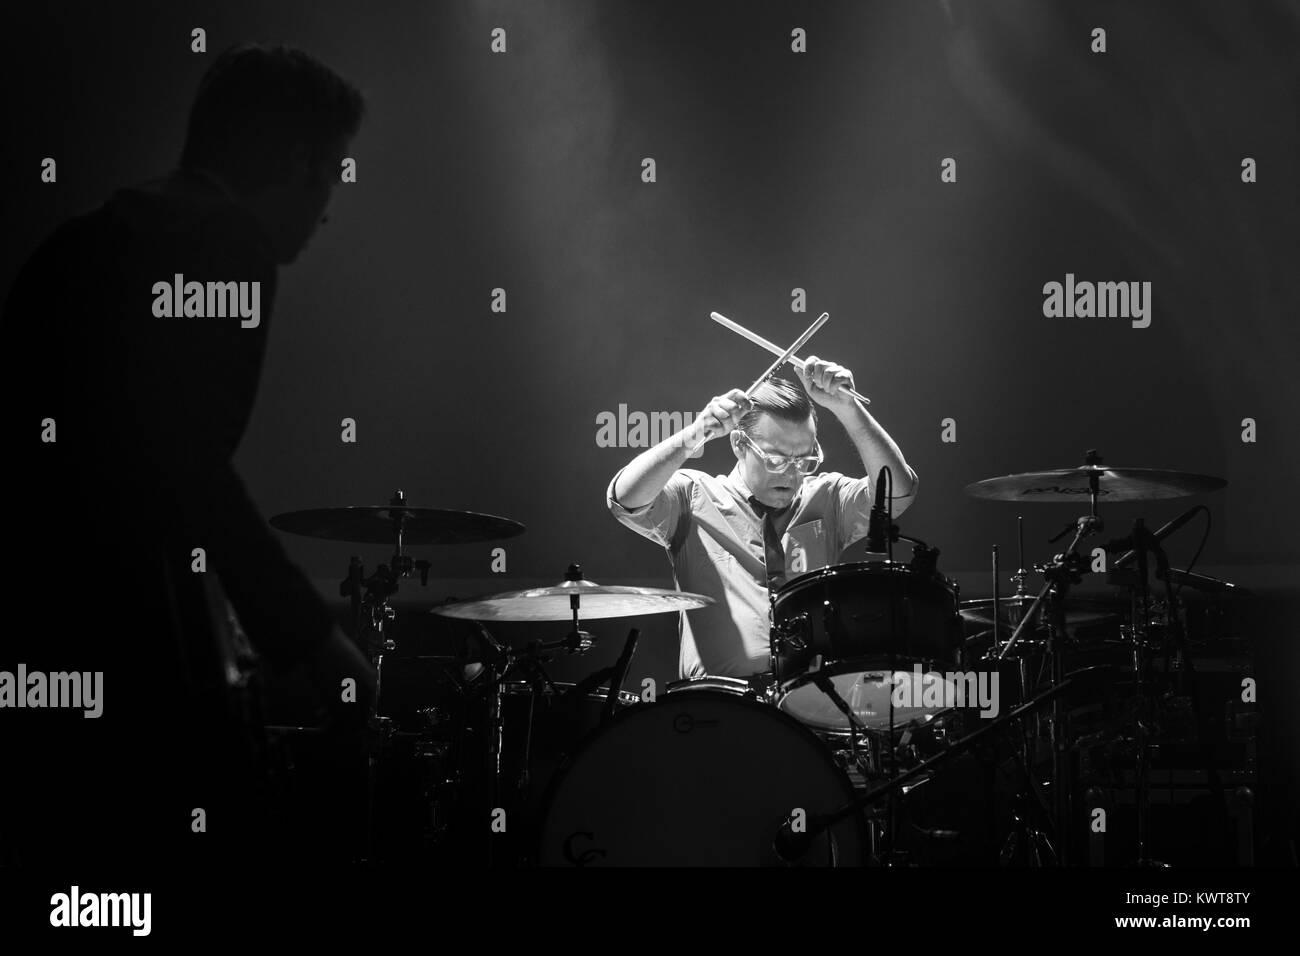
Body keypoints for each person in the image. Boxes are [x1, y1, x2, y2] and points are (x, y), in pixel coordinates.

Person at [2, 43, 375, 868]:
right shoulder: (222, 240)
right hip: (117, 627)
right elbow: (183, 462)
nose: (327, 210)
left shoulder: (92, 236)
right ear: (293, 160)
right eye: (330, 174)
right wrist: (312, 641)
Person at [606, 360, 918, 680]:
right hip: (716, 707)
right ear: (740, 444)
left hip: (811, 701)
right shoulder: (693, 496)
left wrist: (849, 410)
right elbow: (626, 498)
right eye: (776, 459)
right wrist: (694, 434)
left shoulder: (829, 497)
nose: (792, 472)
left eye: (805, 460)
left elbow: (898, 493)